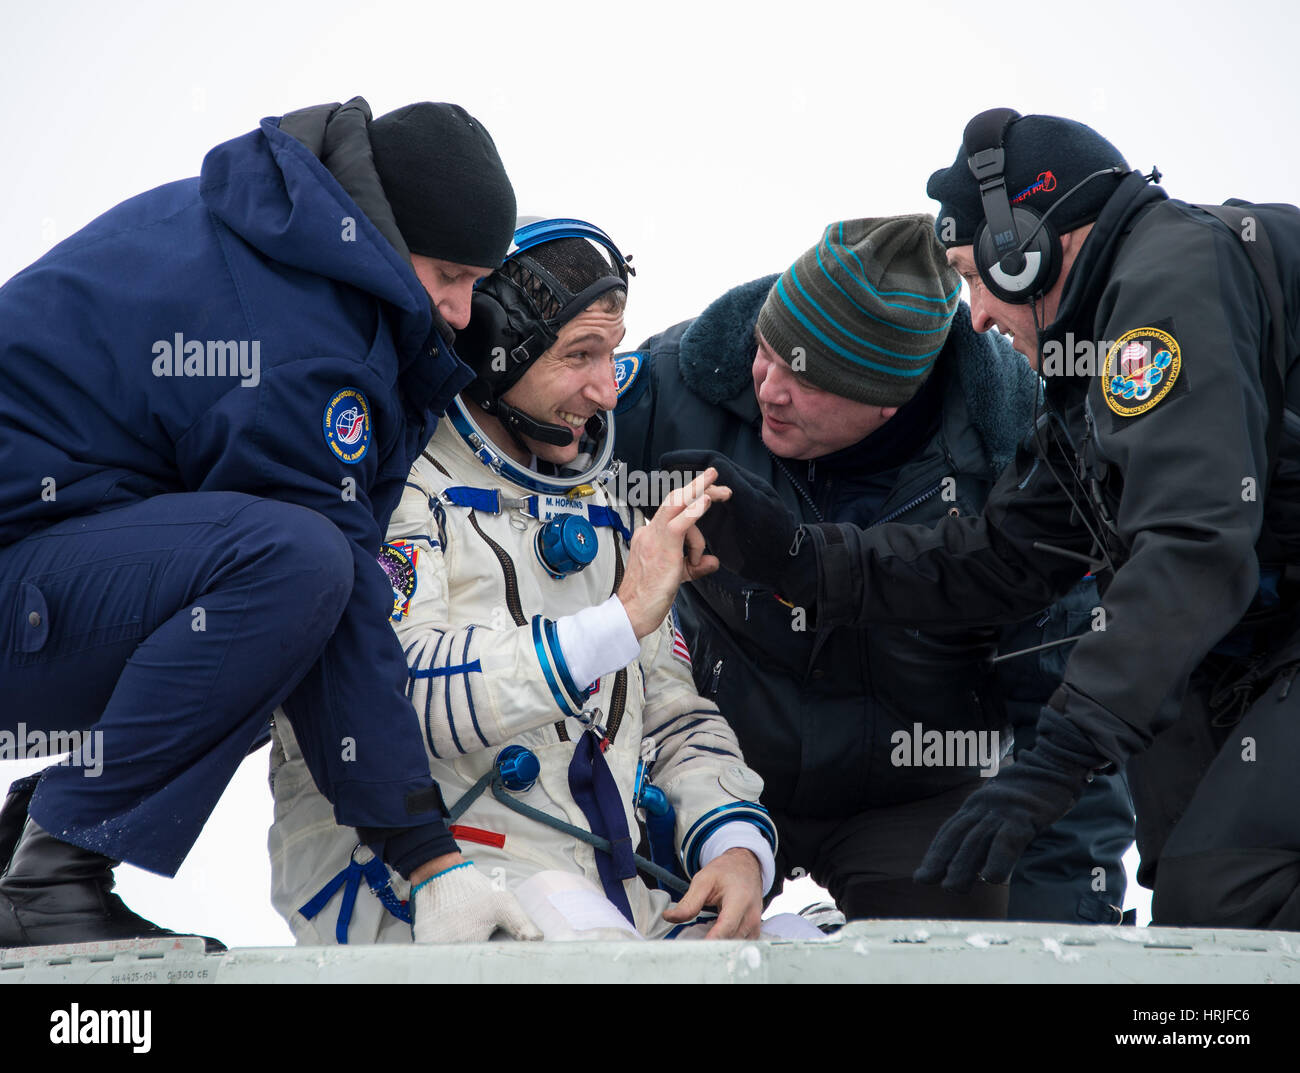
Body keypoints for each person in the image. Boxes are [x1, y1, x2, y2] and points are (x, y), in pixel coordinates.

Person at [692, 110, 1300, 929]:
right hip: (1248, 648)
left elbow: (1193, 543)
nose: (972, 314)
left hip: (1266, 637)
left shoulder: (1171, 279)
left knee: (1231, 887)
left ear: (1029, 252)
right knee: (1194, 899)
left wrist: (1054, 761)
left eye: (974, 276)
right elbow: (1003, 556)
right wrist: (805, 559)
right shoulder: (1089, 371)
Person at [0, 97, 523, 950]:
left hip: (43, 565)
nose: (462, 314)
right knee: (292, 571)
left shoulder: (285, 226)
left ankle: (37, 838)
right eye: (448, 279)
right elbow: (338, 589)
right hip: (19, 583)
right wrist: (429, 857)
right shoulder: (303, 348)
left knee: (267, 609)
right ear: (389, 239)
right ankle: (52, 878)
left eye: (478, 284)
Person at [267, 218, 821, 944]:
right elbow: (400, 696)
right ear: (493, 354)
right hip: (425, 884)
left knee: (811, 953)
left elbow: (674, 715)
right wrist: (615, 621)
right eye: (580, 356)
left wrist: (735, 847)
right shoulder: (393, 494)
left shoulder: (606, 507)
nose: (606, 390)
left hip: (595, 893)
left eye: (613, 354)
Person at [616, 215, 1132, 923]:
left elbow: (1068, 704)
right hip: (712, 760)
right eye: (765, 351)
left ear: (892, 399)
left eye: (807, 378)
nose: (767, 387)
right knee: (634, 937)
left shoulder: (1020, 468)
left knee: (956, 966)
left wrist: (1068, 934)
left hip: (916, 795)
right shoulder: (674, 387)